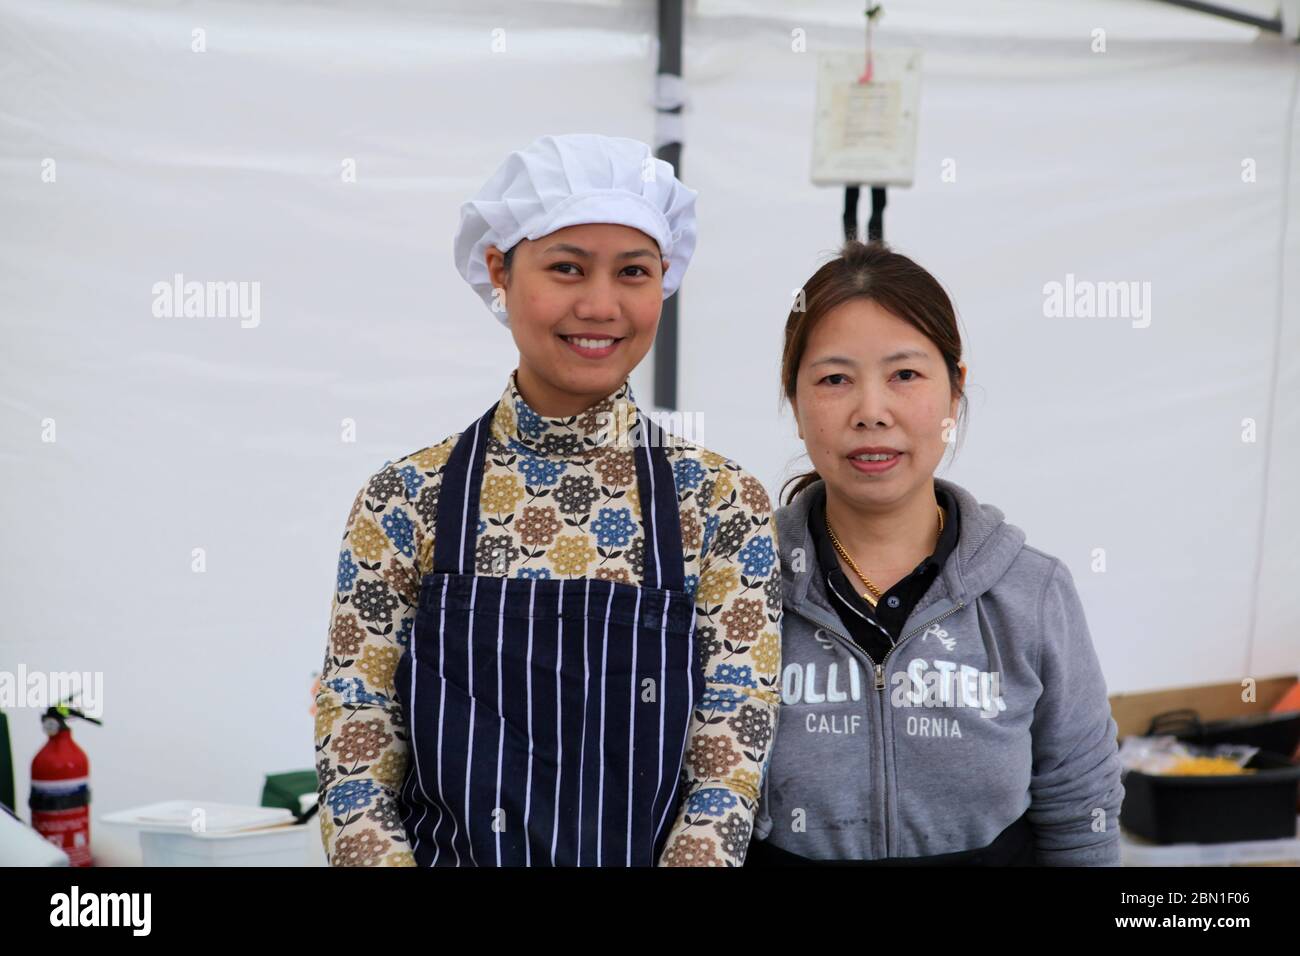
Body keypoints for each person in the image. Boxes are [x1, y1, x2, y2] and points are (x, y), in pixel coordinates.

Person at [315, 133, 781, 866]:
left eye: (633, 272)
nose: (600, 305)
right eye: (566, 268)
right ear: (499, 269)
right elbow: (357, 743)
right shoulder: (405, 499)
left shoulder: (719, 503)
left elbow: (729, 761)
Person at [748, 239, 1123, 865]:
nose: (872, 412)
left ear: (955, 393)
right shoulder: (736, 582)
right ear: (795, 400)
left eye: (905, 375)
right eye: (835, 379)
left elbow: (1081, 814)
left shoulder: (1032, 593)